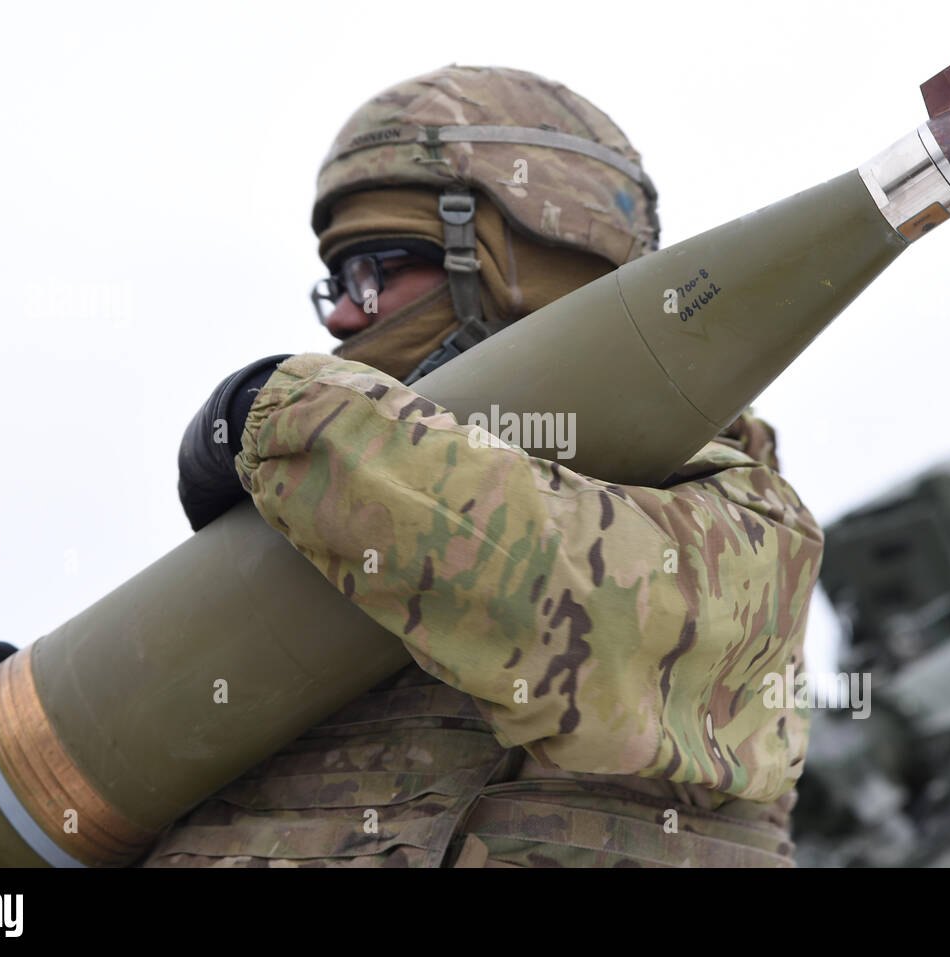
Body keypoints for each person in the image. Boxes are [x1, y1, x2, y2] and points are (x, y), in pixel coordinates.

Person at [145, 64, 823, 868]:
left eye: (376, 266)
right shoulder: (340, 516)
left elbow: (567, 598)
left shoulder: (740, 514)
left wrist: (281, 412)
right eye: (334, 280)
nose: (343, 315)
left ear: (514, 267)